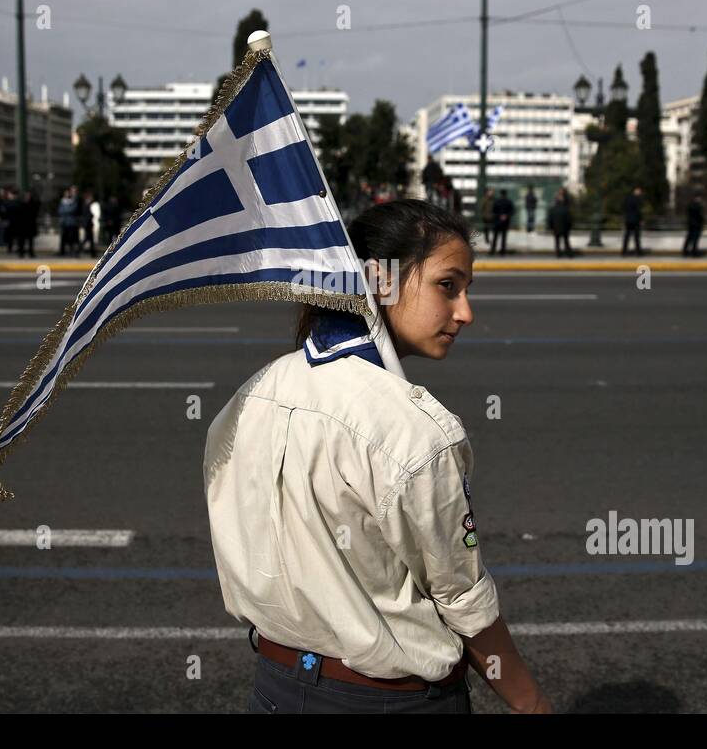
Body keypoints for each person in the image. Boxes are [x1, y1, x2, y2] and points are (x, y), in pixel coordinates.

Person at [205, 199, 550, 714]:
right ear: (381, 281)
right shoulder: (413, 431)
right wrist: (532, 704)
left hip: (277, 687)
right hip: (390, 701)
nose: (466, 312)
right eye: (447, 286)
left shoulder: (254, 392)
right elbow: (463, 602)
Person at [548, 188, 578, 258]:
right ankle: (569, 253)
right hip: (565, 228)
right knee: (566, 241)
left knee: (557, 242)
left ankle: (558, 254)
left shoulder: (553, 209)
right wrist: (569, 227)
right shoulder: (566, 209)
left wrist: (551, 227)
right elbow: (569, 220)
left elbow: (550, 219)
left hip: (556, 228)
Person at [622, 185, 644, 256]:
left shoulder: (627, 198)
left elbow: (625, 209)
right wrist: (641, 219)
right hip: (635, 220)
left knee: (627, 236)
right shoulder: (637, 199)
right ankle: (638, 252)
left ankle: (624, 252)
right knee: (636, 237)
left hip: (628, 220)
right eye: (639, 191)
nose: (640, 192)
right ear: (636, 190)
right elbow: (638, 211)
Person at [491, 188, 514, 255]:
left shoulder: (497, 201)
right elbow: (512, 211)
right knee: (504, 237)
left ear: (500, 194)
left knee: (495, 237)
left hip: (497, 222)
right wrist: (506, 216)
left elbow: (493, 211)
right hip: (505, 222)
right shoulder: (509, 201)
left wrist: (499, 216)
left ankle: (492, 251)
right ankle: (502, 252)